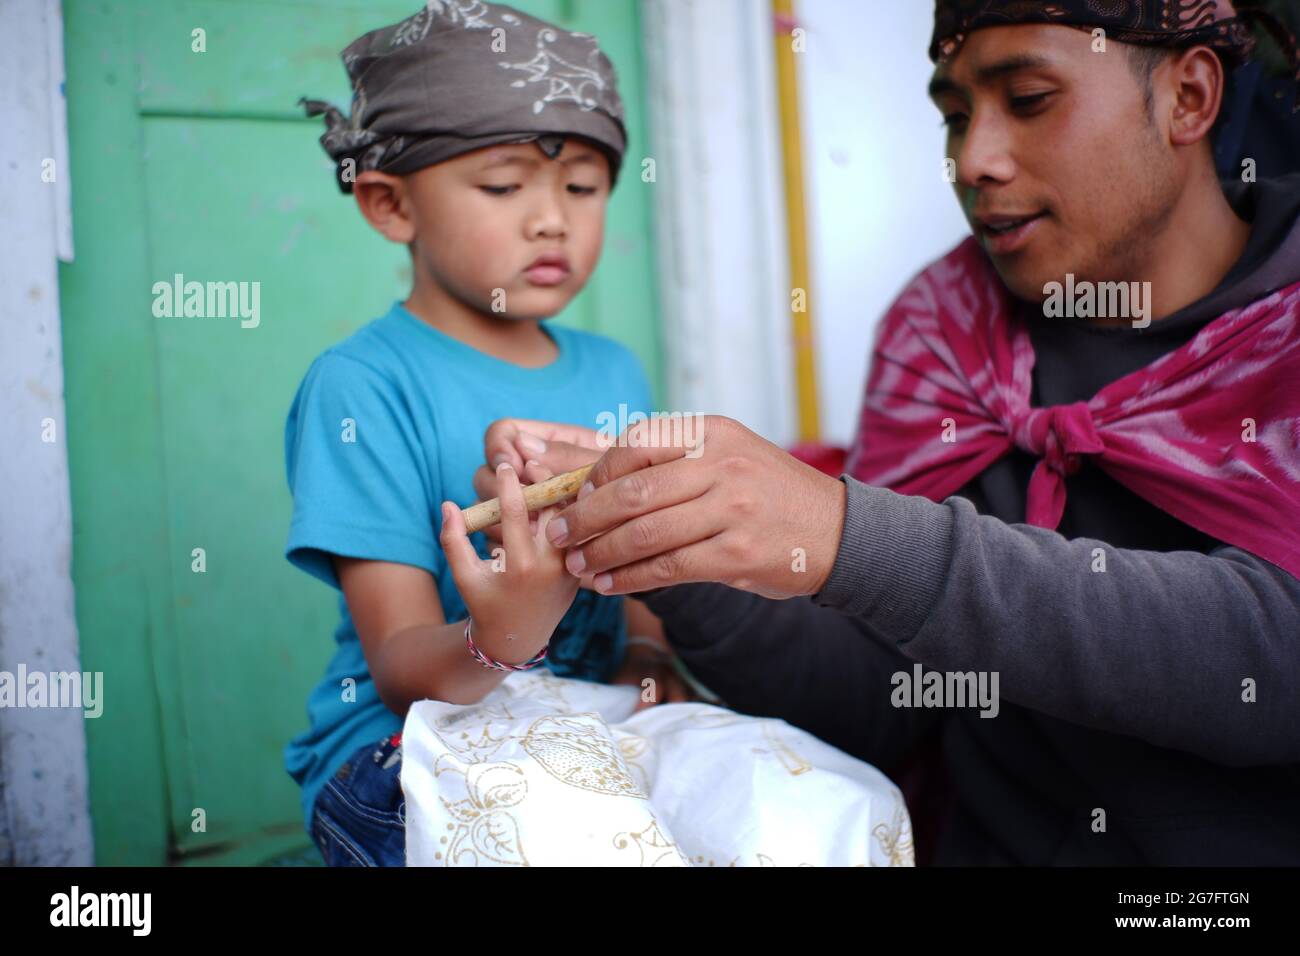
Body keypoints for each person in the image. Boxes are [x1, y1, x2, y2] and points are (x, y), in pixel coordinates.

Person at [467, 0, 1300, 864]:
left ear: (1189, 97)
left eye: (1028, 97)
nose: (974, 159)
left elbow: (1274, 671)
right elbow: (883, 700)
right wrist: (661, 541)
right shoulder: (944, 331)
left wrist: (847, 535)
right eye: (953, 115)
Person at [283, 1, 690, 867]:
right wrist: (500, 632)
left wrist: (648, 662)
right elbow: (397, 665)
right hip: (410, 744)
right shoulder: (363, 386)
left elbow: (644, 574)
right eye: (504, 187)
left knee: (823, 802)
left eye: (582, 187)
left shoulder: (614, 370)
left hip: (589, 720)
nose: (553, 220)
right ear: (391, 205)